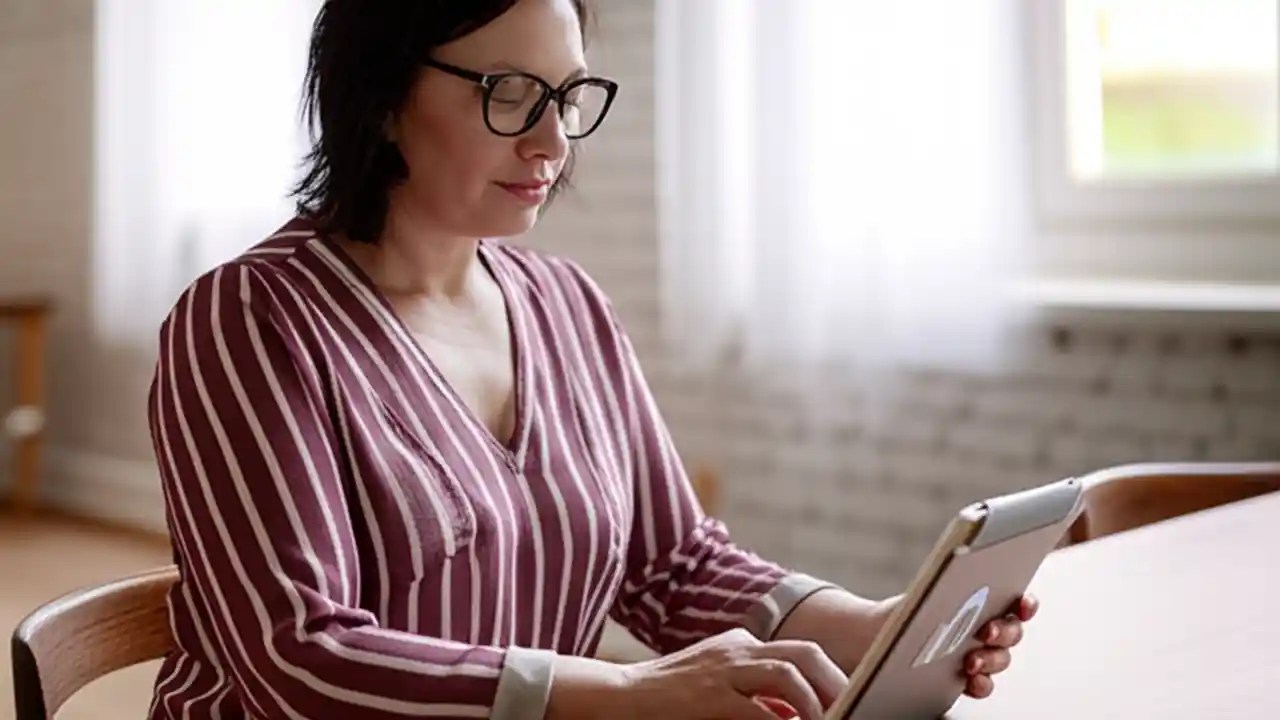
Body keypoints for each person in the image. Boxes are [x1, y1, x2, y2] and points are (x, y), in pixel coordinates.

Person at [145, 1, 1035, 718]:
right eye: (508, 93)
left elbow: (672, 565)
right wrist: (624, 691)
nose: (552, 141)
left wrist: (877, 629)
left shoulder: (567, 305)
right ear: (380, 98)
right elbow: (302, 663)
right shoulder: (249, 320)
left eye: (566, 96)